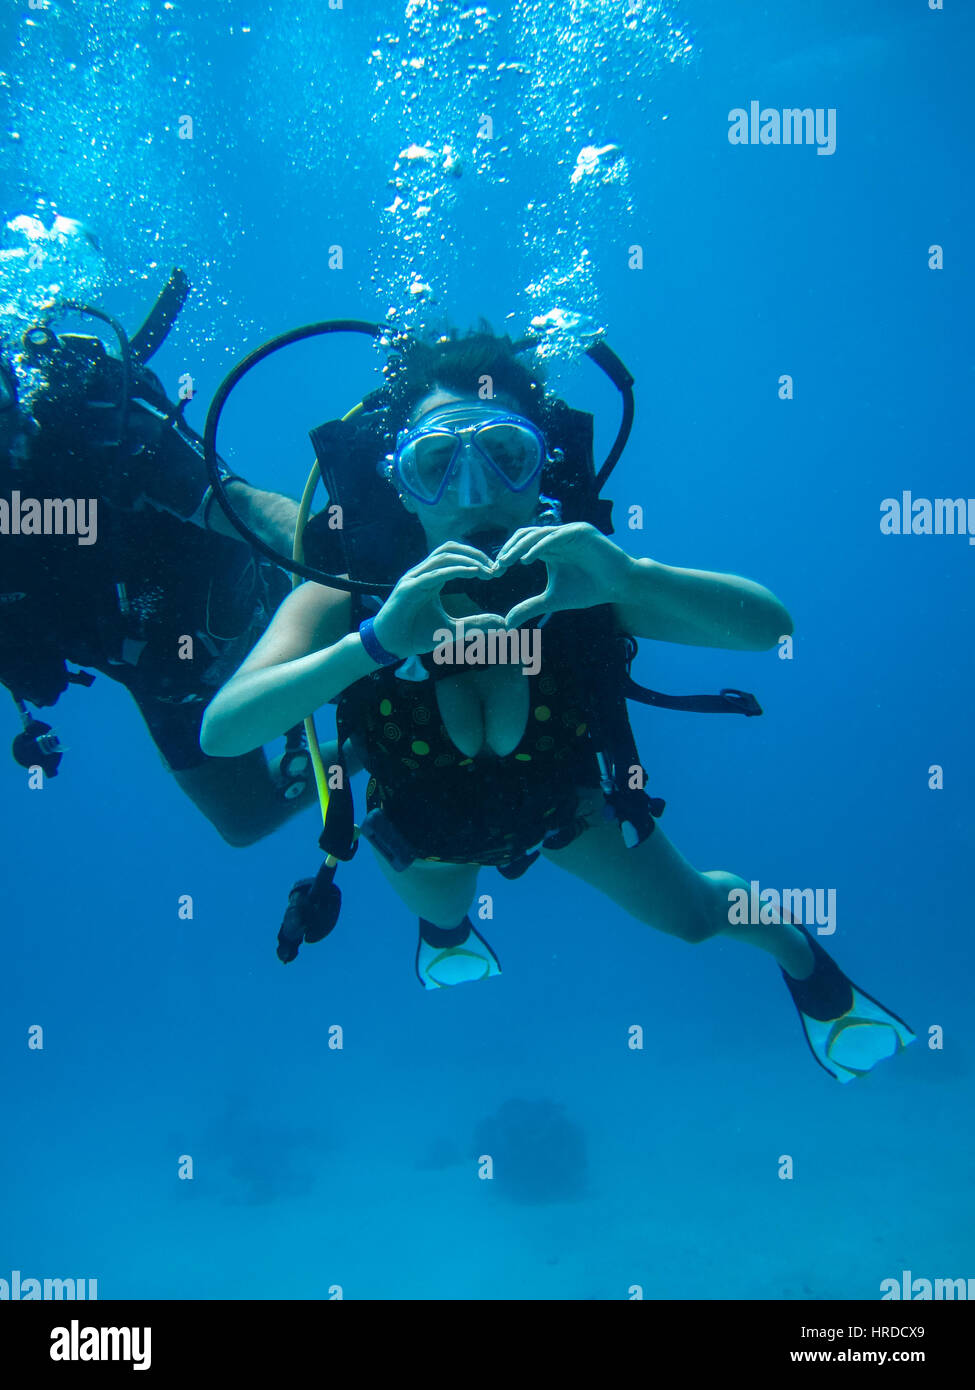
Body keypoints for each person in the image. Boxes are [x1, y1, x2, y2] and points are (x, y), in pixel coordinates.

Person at [200, 328, 915, 1081]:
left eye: (505, 457)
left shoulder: (582, 578)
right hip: (421, 826)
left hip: (568, 809)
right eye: (438, 463)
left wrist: (629, 579)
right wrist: (375, 643)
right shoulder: (345, 600)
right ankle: (448, 940)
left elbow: (770, 629)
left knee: (698, 919)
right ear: (401, 486)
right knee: (441, 917)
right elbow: (224, 731)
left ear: (541, 469)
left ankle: (806, 964)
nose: (472, 493)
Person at [0, 277, 321, 845]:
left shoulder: (101, 432)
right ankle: (358, 761)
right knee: (244, 822)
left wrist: (339, 567)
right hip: (164, 685)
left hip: (266, 623)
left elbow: (244, 505)